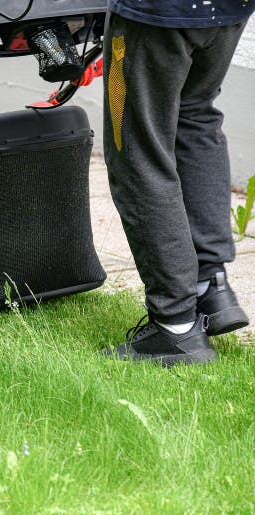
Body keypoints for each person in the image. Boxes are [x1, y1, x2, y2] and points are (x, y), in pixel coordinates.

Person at [103, 1, 253, 366]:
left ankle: (176, 325)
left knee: (136, 145)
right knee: (195, 114)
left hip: (159, 10)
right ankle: (209, 285)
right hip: (226, 8)